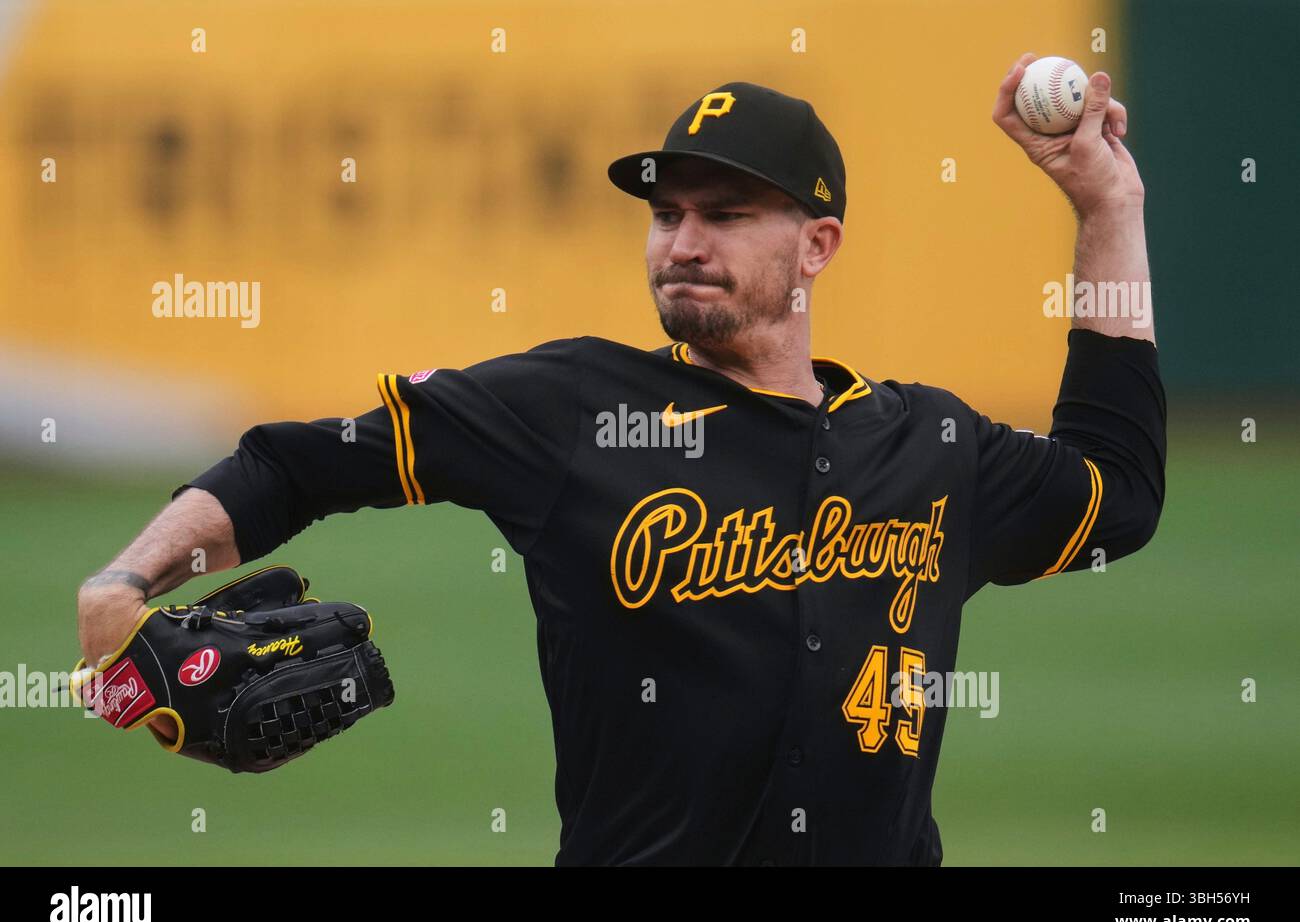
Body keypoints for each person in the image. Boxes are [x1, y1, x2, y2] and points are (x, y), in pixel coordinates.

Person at [77, 62, 1165, 865]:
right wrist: (127, 579)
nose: (682, 240)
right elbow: (298, 463)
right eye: (665, 212)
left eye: (725, 214)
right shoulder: (568, 407)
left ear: (817, 245)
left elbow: (1115, 493)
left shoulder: (927, 442)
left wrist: (1106, 207)